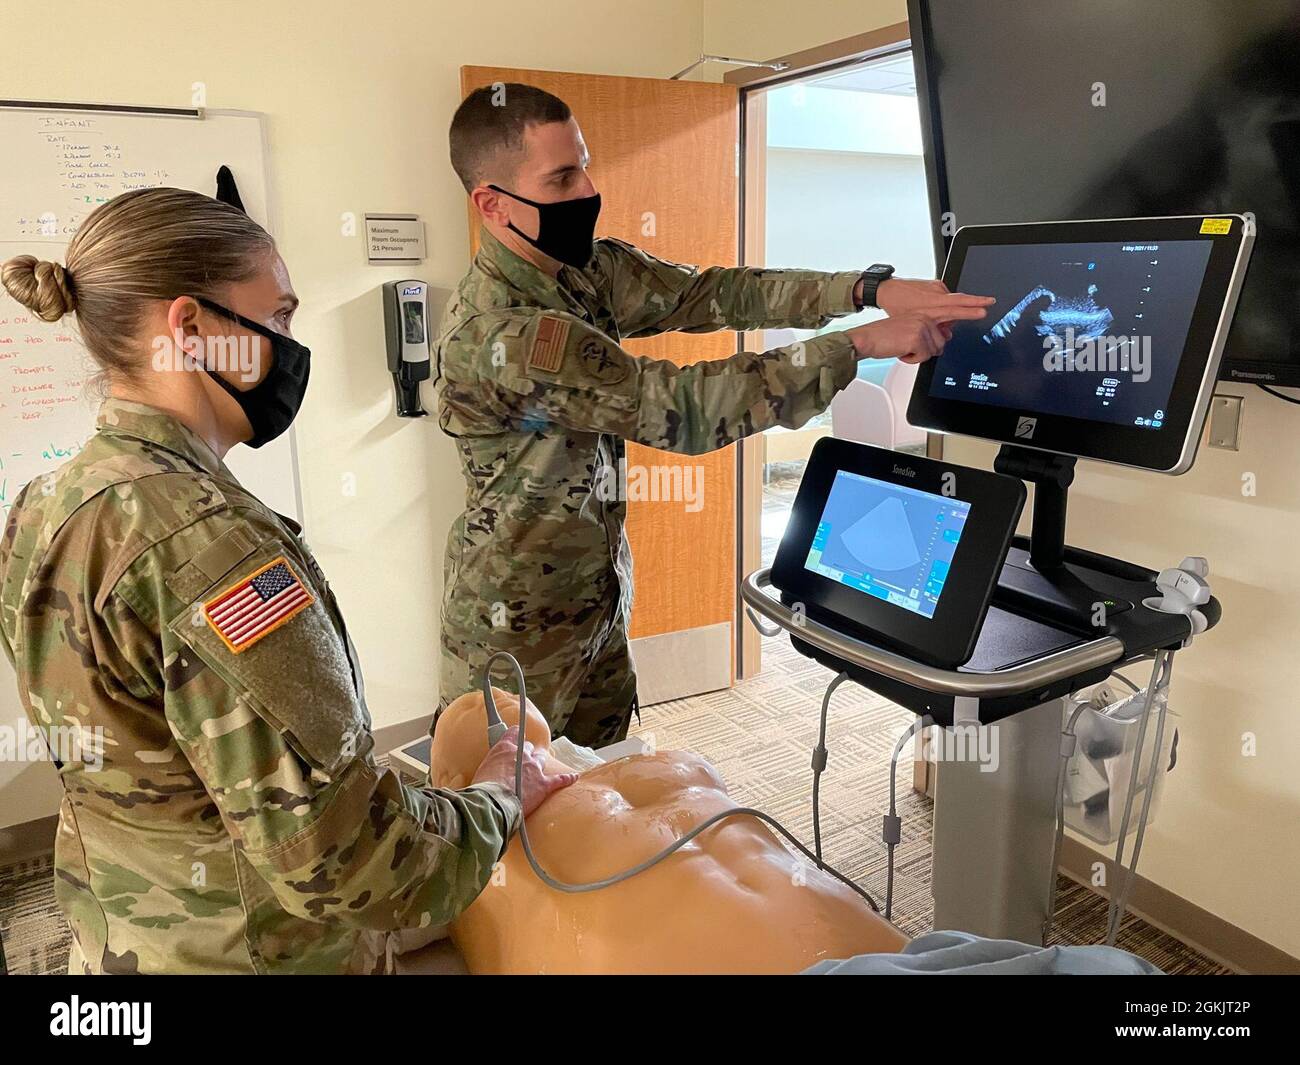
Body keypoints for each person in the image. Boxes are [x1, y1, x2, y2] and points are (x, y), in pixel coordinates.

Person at [0, 187, 576, 975]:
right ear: (192, 328)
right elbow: (352, 867)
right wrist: (502, 795)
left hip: (121, 949)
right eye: (276, 319)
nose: (289, 346)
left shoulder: (45, 503)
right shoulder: (213, 550)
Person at [436, 82, 993, 746]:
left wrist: (865, 289)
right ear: (493, 205)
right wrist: (864, 342)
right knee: (511, 825)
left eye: (583, 164)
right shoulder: (504, 336)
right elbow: (687, 409)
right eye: (561, 178)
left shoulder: (582, 271)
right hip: (517, 638)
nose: (589, 190)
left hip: (597, 603)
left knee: (606, 805)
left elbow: (715, 293)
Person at [429, 687, 908, 974]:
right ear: (444, 784)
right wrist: (488, 804)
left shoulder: (660, 763)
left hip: (849, 938)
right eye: (467, 712)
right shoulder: (476, 858)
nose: (486, 700)